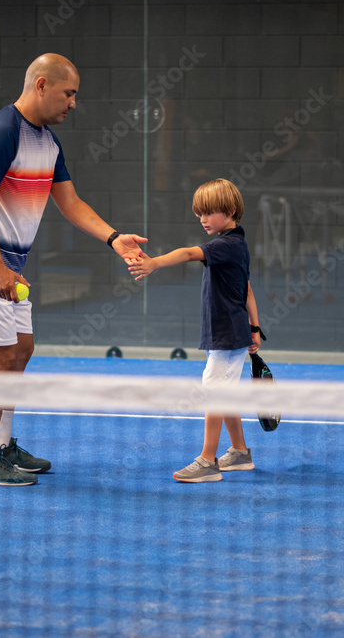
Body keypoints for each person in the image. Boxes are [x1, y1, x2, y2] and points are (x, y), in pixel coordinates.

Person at [0, 53, 147, 486]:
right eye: (68, 93)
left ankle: (2, 446)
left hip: (9, 267)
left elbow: (70, 202)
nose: (73, 103)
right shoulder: (0, 132)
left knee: (21, 349)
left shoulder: (48, 143)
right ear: (40, 84)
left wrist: (114, 238)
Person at [128, 178, 262, 483]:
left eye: (208, 212)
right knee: (223, 392)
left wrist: (153, 263)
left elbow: (189, 254)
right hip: (231, 334)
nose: (202, 219)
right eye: (198, 213)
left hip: (228, 336)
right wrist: (255, 328)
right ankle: (239, 453)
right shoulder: (237, 245)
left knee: (214, 393)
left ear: (229, 211)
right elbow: (248, 291)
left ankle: (207, 461)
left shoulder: (225, 245)